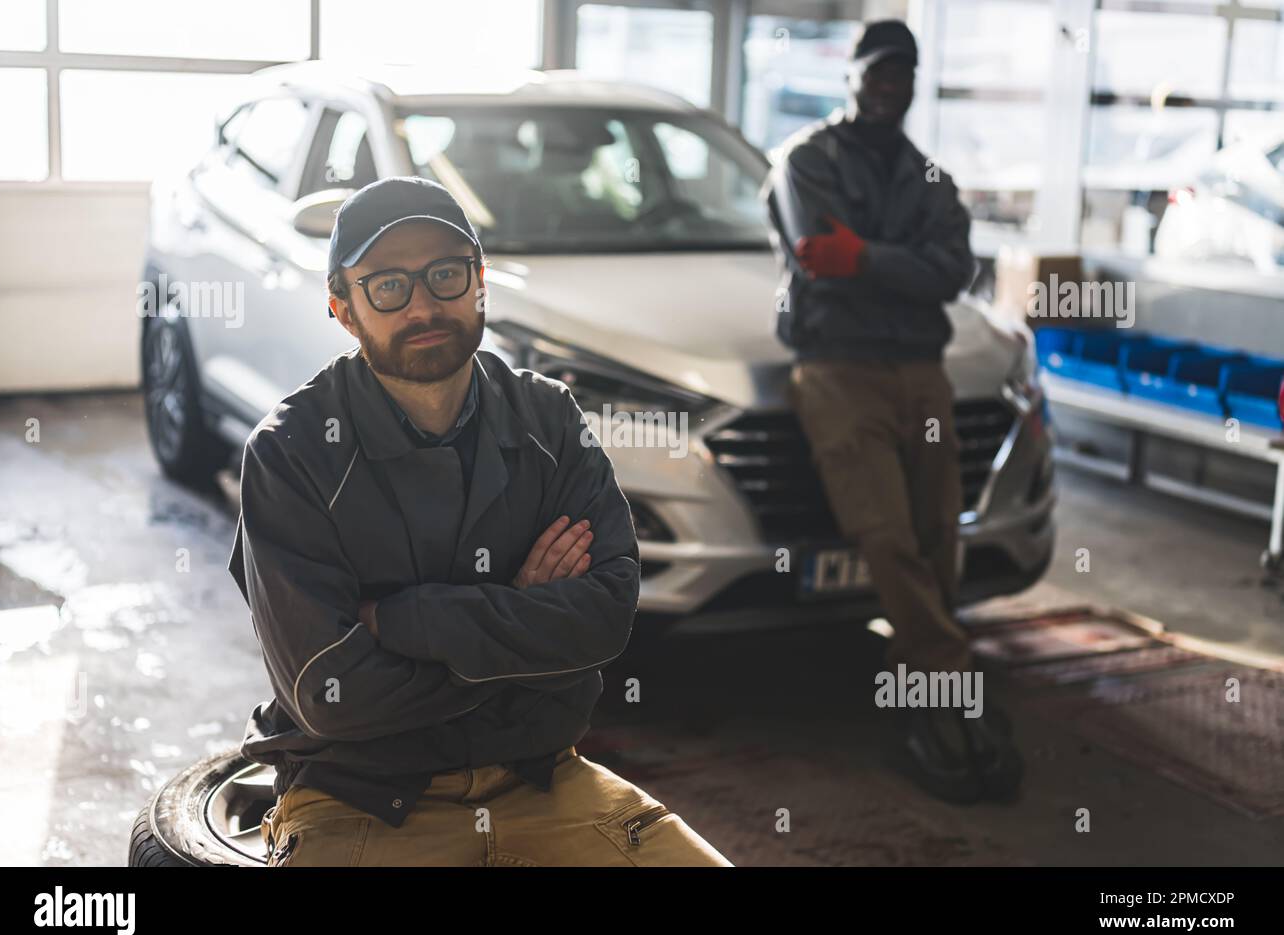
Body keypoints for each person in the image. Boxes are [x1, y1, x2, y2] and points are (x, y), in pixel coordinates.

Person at [228, 176, 731, 865]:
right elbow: (332, 696)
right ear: (344, 310)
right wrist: (525, 627)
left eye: (445, 274)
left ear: (479, 283)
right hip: (358, 794)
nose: (424, 304)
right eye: (388, 286)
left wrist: (403, 622)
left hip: (538, 778)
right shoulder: (294, 452)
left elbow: (606, 620)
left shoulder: (548, 416)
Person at [761, 20, 1022, 804]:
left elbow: (955, 272)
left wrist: (868, 256)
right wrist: (897, 265)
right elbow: (818, 258)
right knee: (884, 532)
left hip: (921, 372)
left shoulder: (928, 175)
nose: (888, 87)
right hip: (838, 369)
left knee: (942, 533)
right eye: (877, 73)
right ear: (853, 75)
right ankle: (951, 685)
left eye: (902, 76)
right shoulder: (806, 160)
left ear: (913, 84)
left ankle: (922, 701)